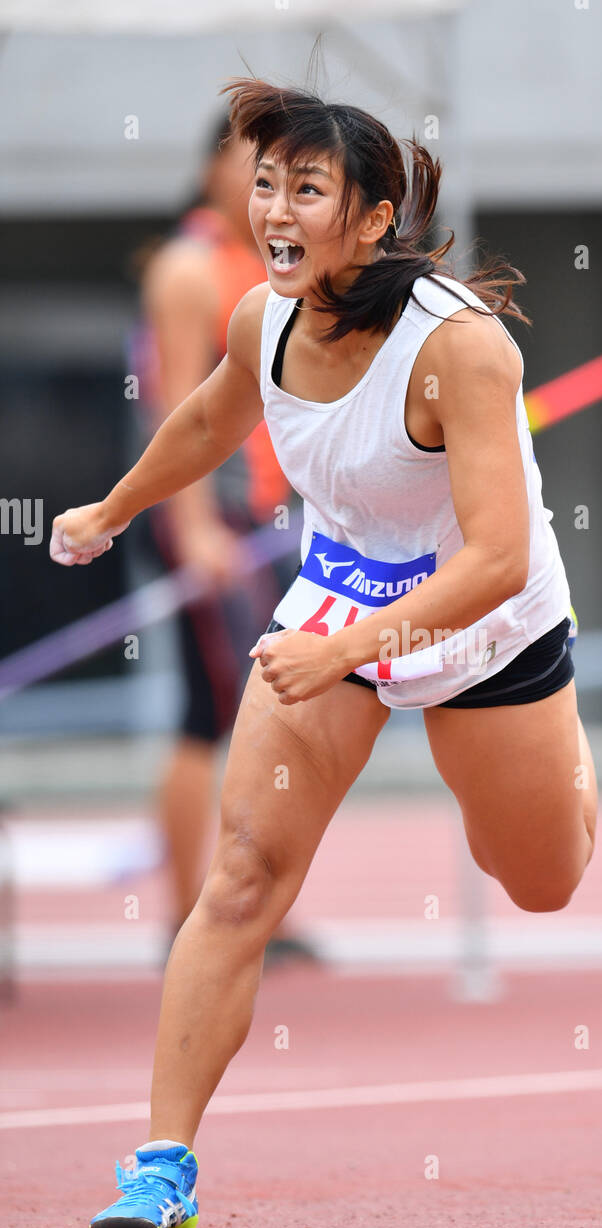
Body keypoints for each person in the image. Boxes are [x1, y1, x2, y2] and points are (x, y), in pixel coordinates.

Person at [50, 78, 598, 1228]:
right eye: (264, 183)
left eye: (307, 187)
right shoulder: (262, 319)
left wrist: (352, 649)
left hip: (484, 624)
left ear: (370, 216)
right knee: (241, 876)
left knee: (539, 875)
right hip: (341, 603)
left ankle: (565, 773)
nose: (274, 208)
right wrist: (113, 506)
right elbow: (209, 418)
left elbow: (496, 558)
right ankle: (162, 1166)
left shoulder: (461, 351)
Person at [126, 113, 313, 963]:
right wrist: (195, 529)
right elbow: (176, 413)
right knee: (213, 708)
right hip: (199, 520)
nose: (272, 194)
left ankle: (254, 903)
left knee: (273, 708)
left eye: (289, 177)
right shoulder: (187, 269)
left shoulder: (278, 272)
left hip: (267, 521)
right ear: (212, 171)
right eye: (258, 173)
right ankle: (186, 917)